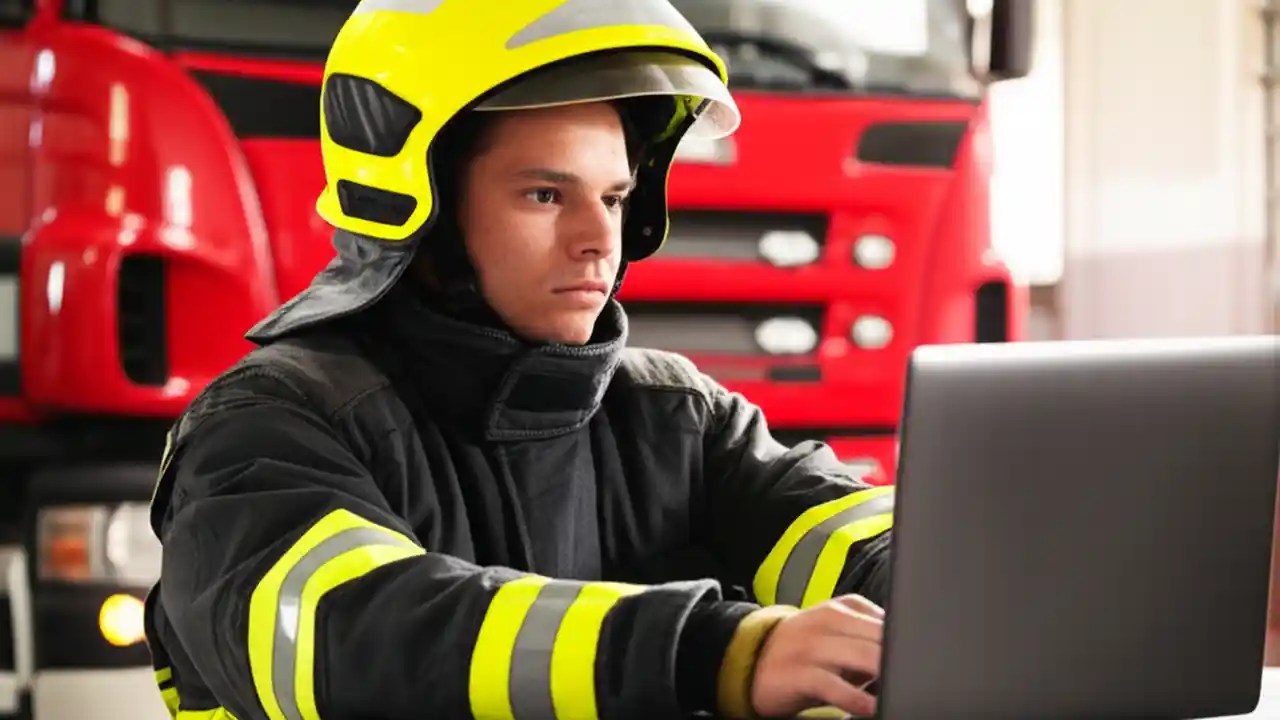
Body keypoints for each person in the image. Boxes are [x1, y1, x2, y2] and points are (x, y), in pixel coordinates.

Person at [142, 1, 895, 718]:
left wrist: (952, 591)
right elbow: (369, 638)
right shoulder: (264, 430)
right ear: (418, 205)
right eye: (544, 194)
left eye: (614, 195)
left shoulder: (678, 419)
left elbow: (860, 540)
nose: (598, 238)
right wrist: (715, 652)